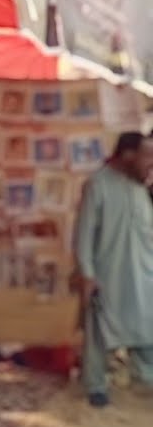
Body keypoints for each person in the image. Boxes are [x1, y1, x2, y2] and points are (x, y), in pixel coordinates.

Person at [74, 131, 153, 408]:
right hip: (108, 276)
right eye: (147, 155)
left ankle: (146, 376)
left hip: (143, 273)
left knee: (148, 325)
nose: (150, 161)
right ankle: (96, 385)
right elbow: (84, 234)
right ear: (128, 155)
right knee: (99, 332)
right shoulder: (98, 184)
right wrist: (87, 274)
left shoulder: (141, 186)